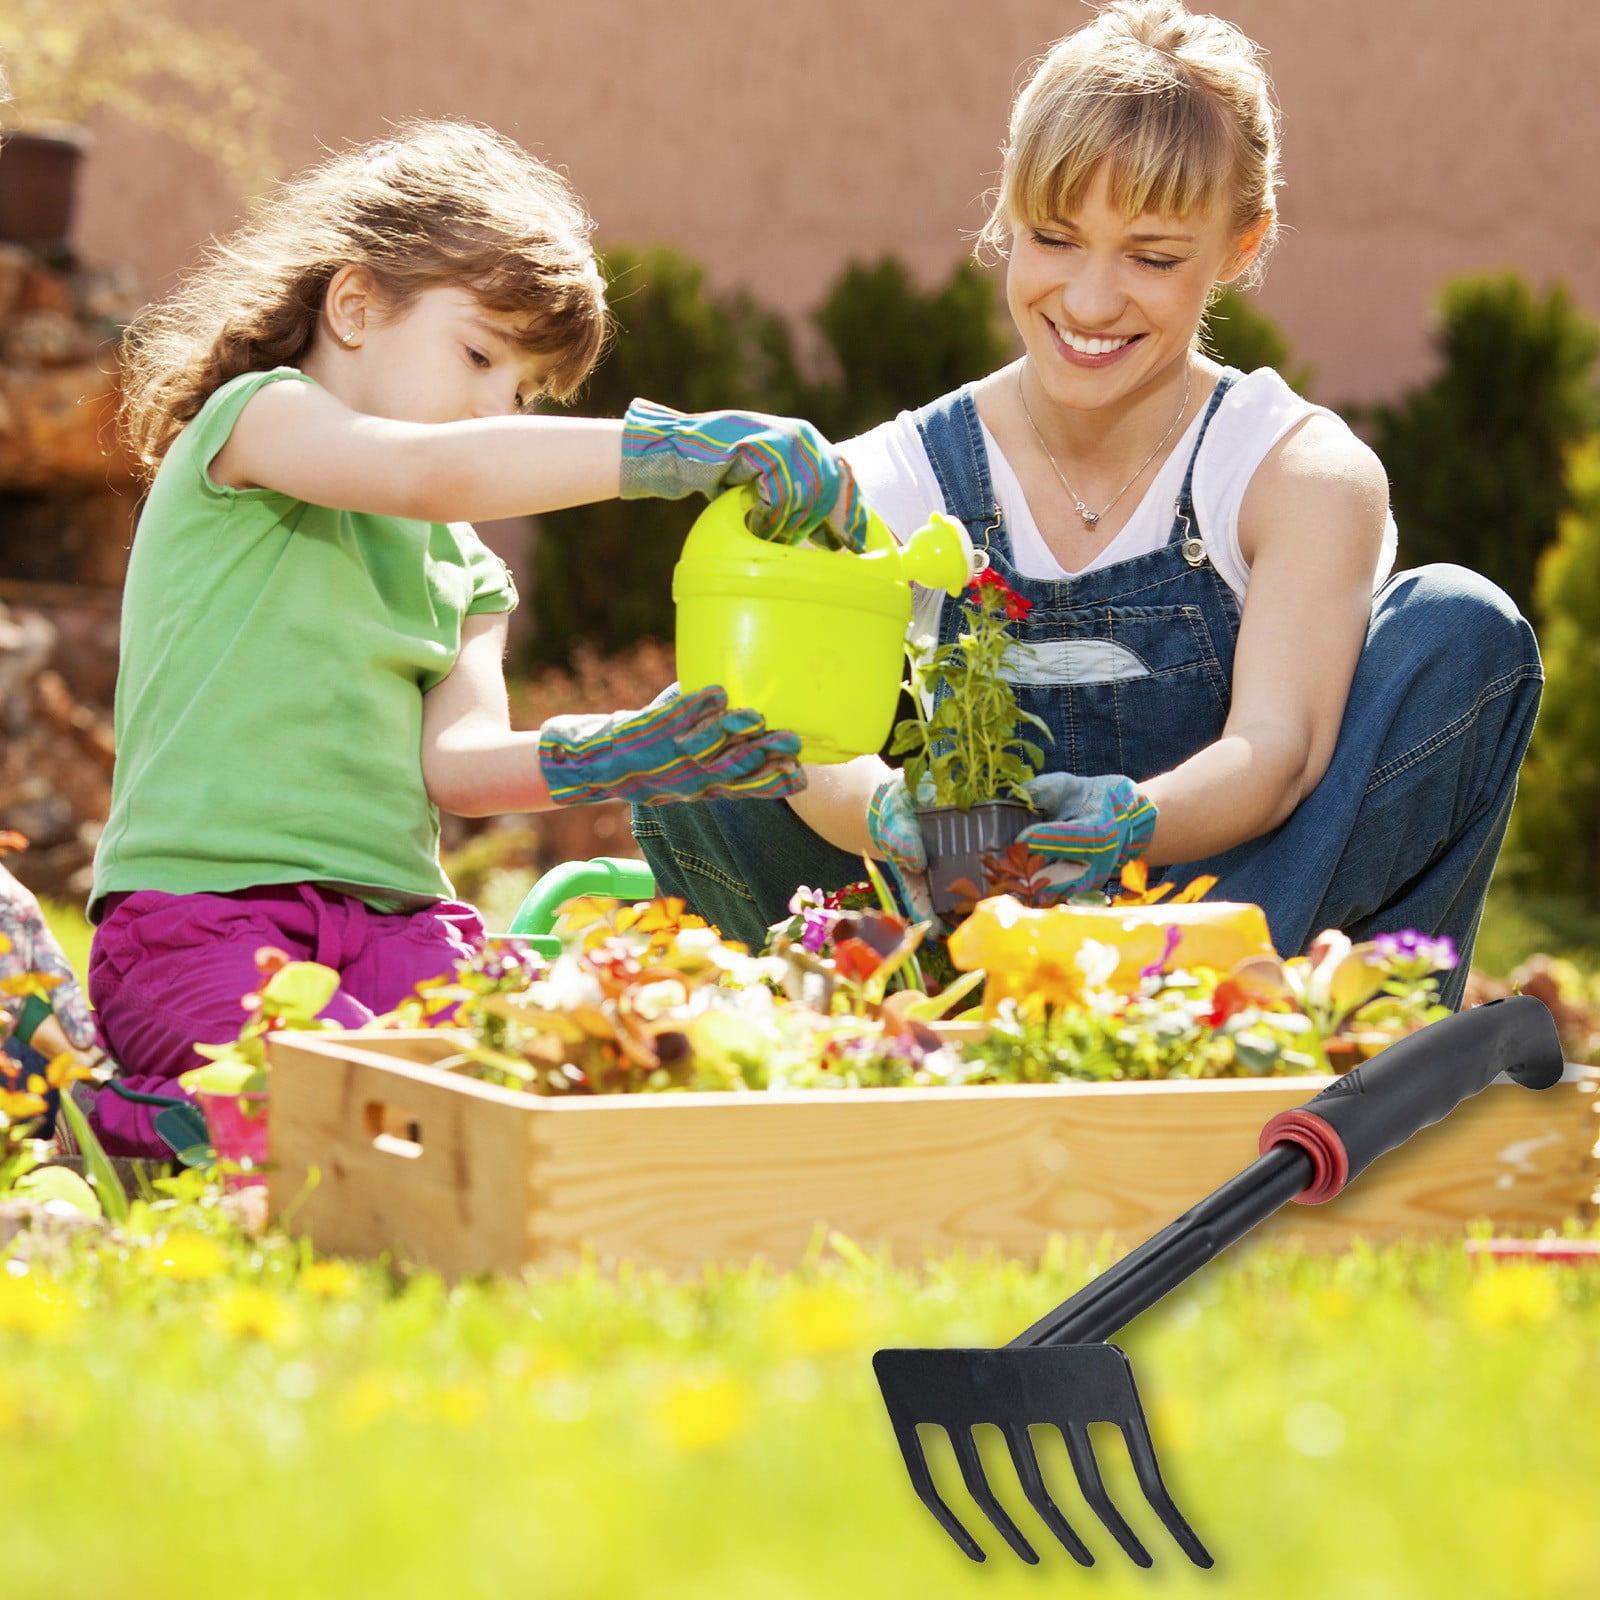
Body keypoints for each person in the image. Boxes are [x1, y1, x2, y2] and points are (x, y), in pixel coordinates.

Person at [634, 0, 1540, 1011]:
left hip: (1232, 931)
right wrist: (887, 811)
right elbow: (805, 750)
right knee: (707, 737)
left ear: (1241, 245)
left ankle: (1250, 1036)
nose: (1093, 301)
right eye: (1055, 239)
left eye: (1152, 257)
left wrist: (1125, 825)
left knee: (1462, 628)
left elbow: (1275, 755)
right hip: (952, 951)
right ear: (1005, 219)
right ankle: (862, 1043)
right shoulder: (889, 480)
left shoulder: (1295, 471)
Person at [85, 120, 865, 1159]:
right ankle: (121, 1123)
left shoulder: (465, 567)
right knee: (341, 1110)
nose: (498, 402)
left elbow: (458, 771)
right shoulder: (257, 425)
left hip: (400, 927)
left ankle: (234, 1125)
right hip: (202, 918)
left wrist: (636, 748)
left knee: (510, 1101)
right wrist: (677, 449)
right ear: (356, 305)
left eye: (526, 391)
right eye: (480, 353)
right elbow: (430, 472)